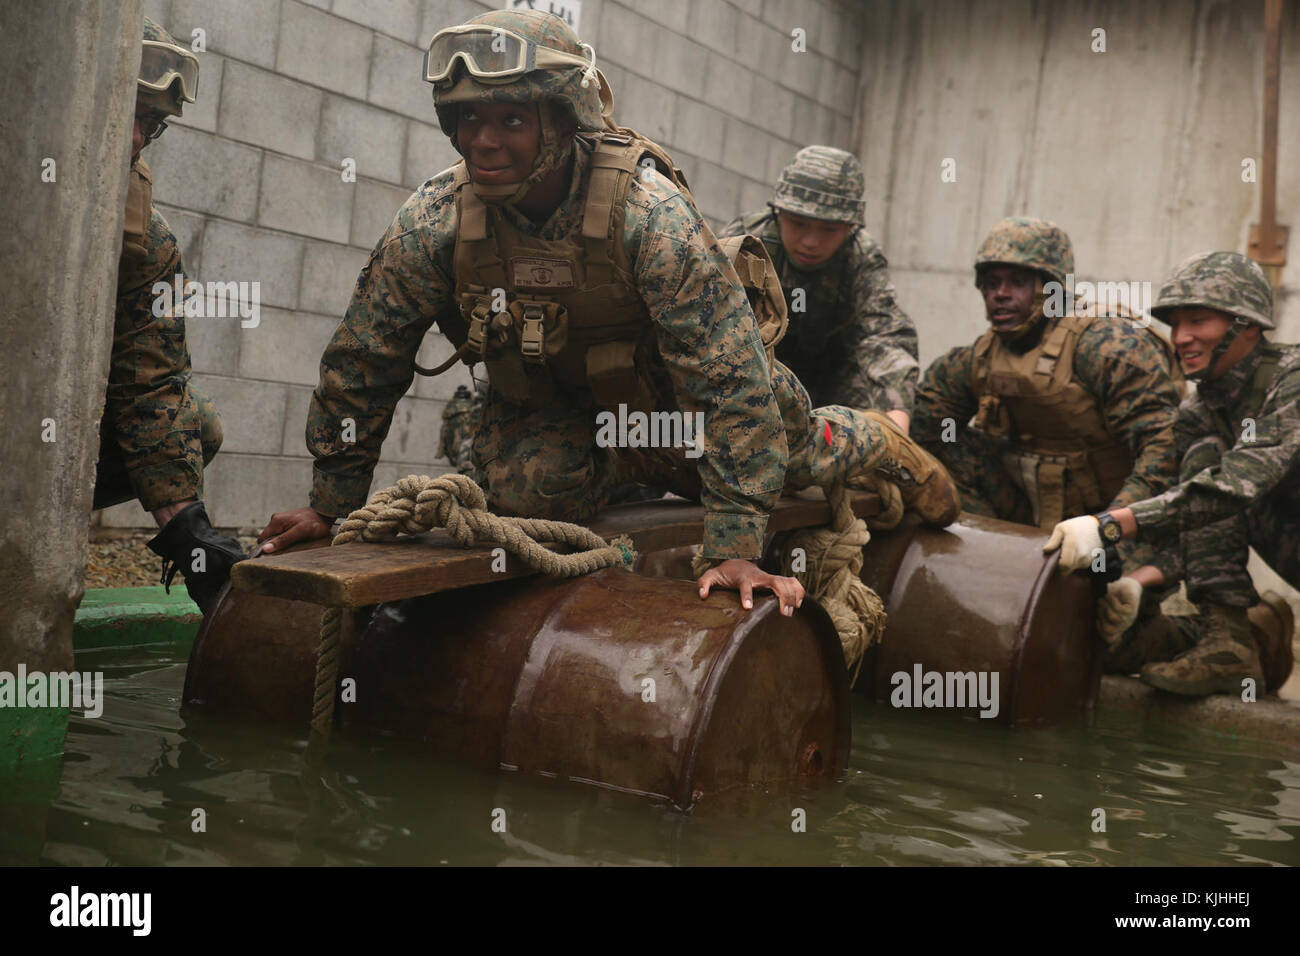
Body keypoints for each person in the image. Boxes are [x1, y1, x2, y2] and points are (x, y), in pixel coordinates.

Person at [257, 9, 959, 614]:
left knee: (790, 457)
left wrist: (737, 546)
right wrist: (332, 503)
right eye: (469, 116)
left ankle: (874, 439)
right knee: (526, 491)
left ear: (563, 123)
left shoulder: (648, 216)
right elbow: (366, 357)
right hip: (565, 408)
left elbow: (731, 385)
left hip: (682, 403)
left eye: (510, 118)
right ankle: (627, 465)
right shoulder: (436, 220)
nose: (484, 140)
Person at [1045, 252, 1296, 696]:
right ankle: (1231, 645)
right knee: (1203, 461)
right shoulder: (1200, 414)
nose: (1181, 337)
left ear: (1248, 325)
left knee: (1213, 471)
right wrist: (1138, 582)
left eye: (1198, 321)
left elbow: (1237, 483)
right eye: (1176, 324)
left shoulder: (1291, 381)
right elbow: (1199, 518)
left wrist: (1107, 526)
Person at [912, 218, 1182, 560]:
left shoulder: (1108, 346)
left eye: (1018, 282)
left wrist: (1110, 529)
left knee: (1119, 602)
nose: (1001, 295)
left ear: (1051, 288)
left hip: (1116, 521)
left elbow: (1164, 451)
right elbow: (924, 425)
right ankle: (983, 550)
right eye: (992, 283)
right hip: (1025, 517)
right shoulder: (979, 358)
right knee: (936, 449)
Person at [97, 17, 242, 613]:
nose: (134, 140)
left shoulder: (142, 242)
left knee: (195, 423)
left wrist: (191, 534)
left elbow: (150, 383)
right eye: (124, 112)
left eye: (150, 125)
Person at [717, 146, 917, 432]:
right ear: (779, 213)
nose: (811, 241)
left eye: (829, 230)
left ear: (850, 227)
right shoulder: (746, 243)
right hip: (755, 373)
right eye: (798, 224)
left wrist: (896, 419)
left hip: (832, 387)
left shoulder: (860, 257)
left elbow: (885, 337)